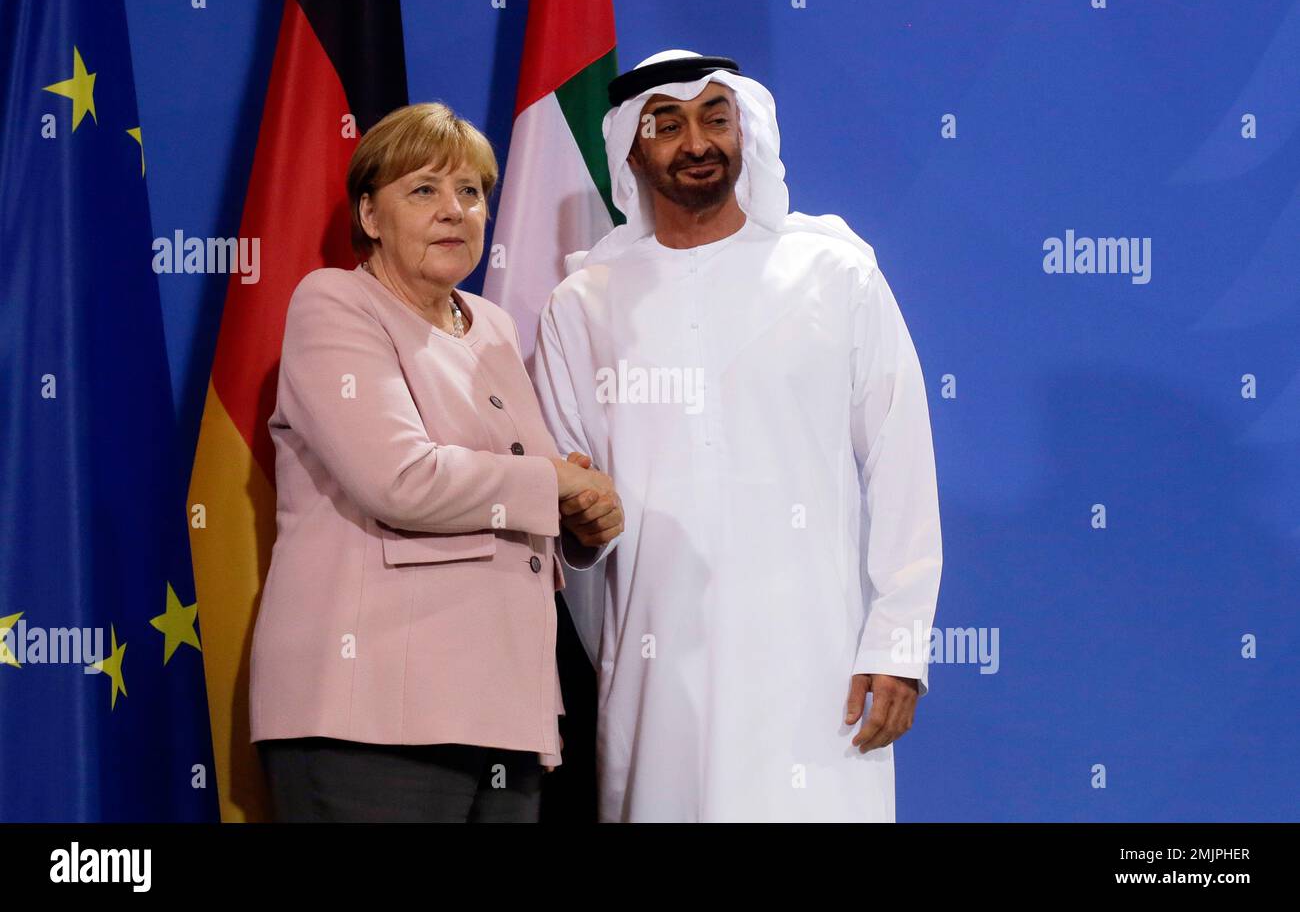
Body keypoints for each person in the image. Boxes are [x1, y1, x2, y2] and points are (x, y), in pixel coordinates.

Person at [534, 51, 942, 821]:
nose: (697, 142)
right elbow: (570, 512)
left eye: (716, 119)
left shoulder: (833, 274)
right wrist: (580, 527)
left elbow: (900, 465)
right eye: (669, 124)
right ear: (630, 148)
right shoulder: (581, 305)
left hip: (818, 665)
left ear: (745, 130)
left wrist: (897, 644)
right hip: (660, 673)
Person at [248, 102, 623, 822]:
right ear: (369, 213)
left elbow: (524, 491)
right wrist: (555, 482)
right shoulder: (335, 303)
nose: (454, 210)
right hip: (372, 712)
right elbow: (400, 479)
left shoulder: (496, 327)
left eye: (471, 192)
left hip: (506, 716)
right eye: (423, 190)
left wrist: (582, 517)